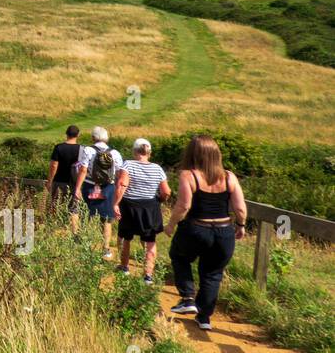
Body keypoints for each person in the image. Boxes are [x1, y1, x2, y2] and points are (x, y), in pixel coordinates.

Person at [164, 135, 247, 330]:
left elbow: (184, 206)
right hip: (224, 231)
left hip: (196, 228)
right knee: (213, 273)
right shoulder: (229, 176)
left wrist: (171, 225)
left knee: (179, 256)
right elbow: (240, 208)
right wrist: (241, 225)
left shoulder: (188, 175)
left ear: (193, 153)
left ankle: (188, 297)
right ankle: (204, 317)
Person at [112, 138, 170, 284]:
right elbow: (166, 191)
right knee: (150, 241)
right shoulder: (157, 168)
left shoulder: (128, 165)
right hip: (150, 207)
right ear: (149, 153)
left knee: (126, 238)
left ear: (135, 151)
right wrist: (159, 200)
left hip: (130, 206)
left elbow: (122, 184)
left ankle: (125, 267)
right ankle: (148, 275)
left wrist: (116, 203)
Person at [73, 126, 122, 259]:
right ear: (106, 138)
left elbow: (83, 170)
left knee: (85, 217)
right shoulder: (115, 153)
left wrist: (77, 188)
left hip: (89, 186)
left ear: (93, 137)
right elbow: (119, 174)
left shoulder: (88, 150)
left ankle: (84, 245)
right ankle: (106, 249)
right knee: (106, 220)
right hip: (108, 188)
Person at [46, 125, 82, 214]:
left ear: (66, 134)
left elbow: (54, 166)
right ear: (78, 135)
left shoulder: (59, 147)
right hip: (74, 183)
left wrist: (50, 181)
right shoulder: (81, 149)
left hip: (59, 181)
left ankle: (53, 225)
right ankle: (74, 228)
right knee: (74, 209)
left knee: (54, 206)